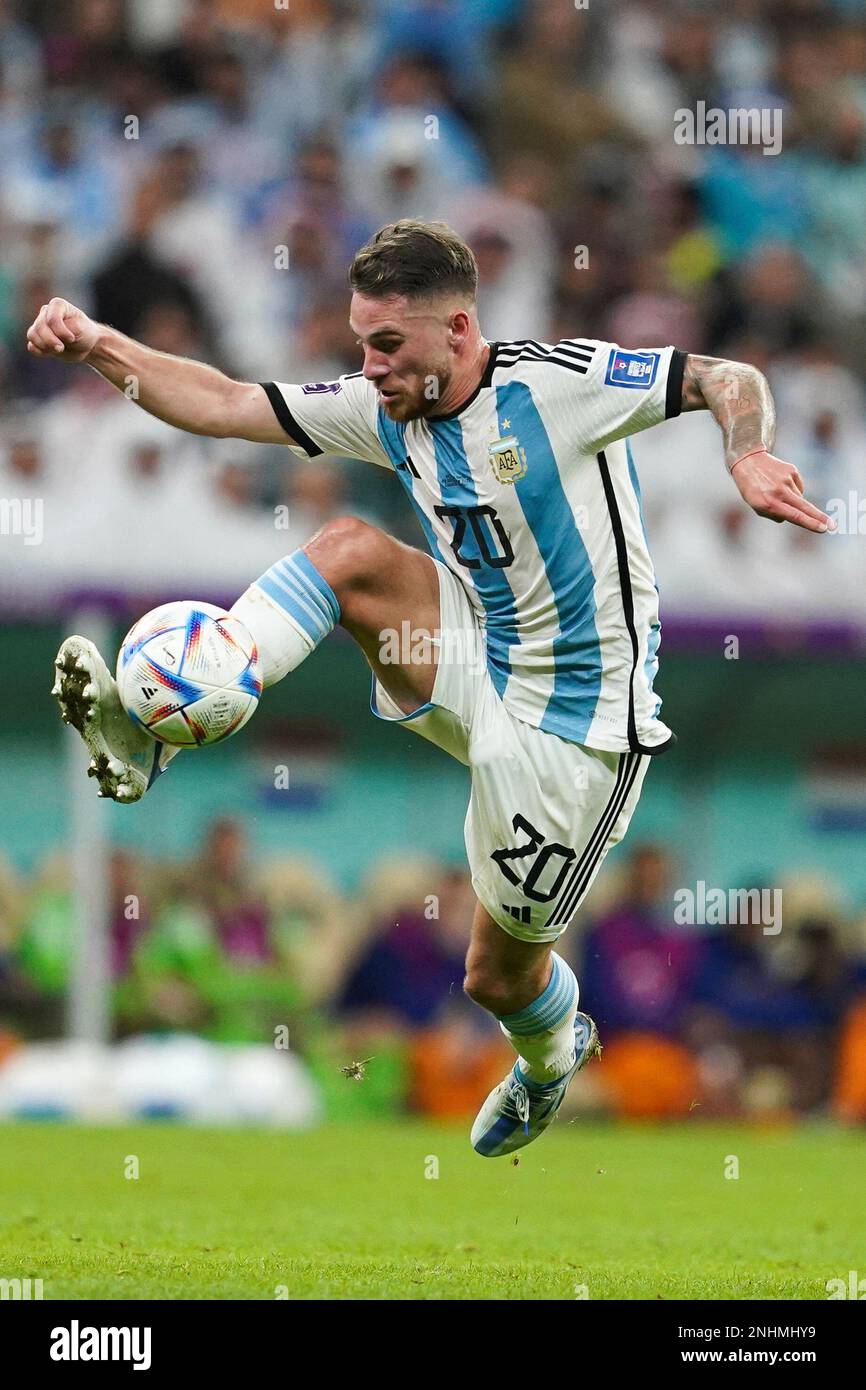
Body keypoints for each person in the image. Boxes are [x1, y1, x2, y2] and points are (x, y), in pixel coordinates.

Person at [27, 218, 832, 1157]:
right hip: (470, 655)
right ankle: (161, 730)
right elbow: (226, 402)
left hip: (575, 733)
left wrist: (745, 452)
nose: (368, 366)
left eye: (387, 344)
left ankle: (547, 1059)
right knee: (350, 554)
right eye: (362, 342)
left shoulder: (558, 383)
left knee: (494, 978)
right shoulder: (386, 404)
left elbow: (727, 379)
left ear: (457, 330)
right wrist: (98, 345)